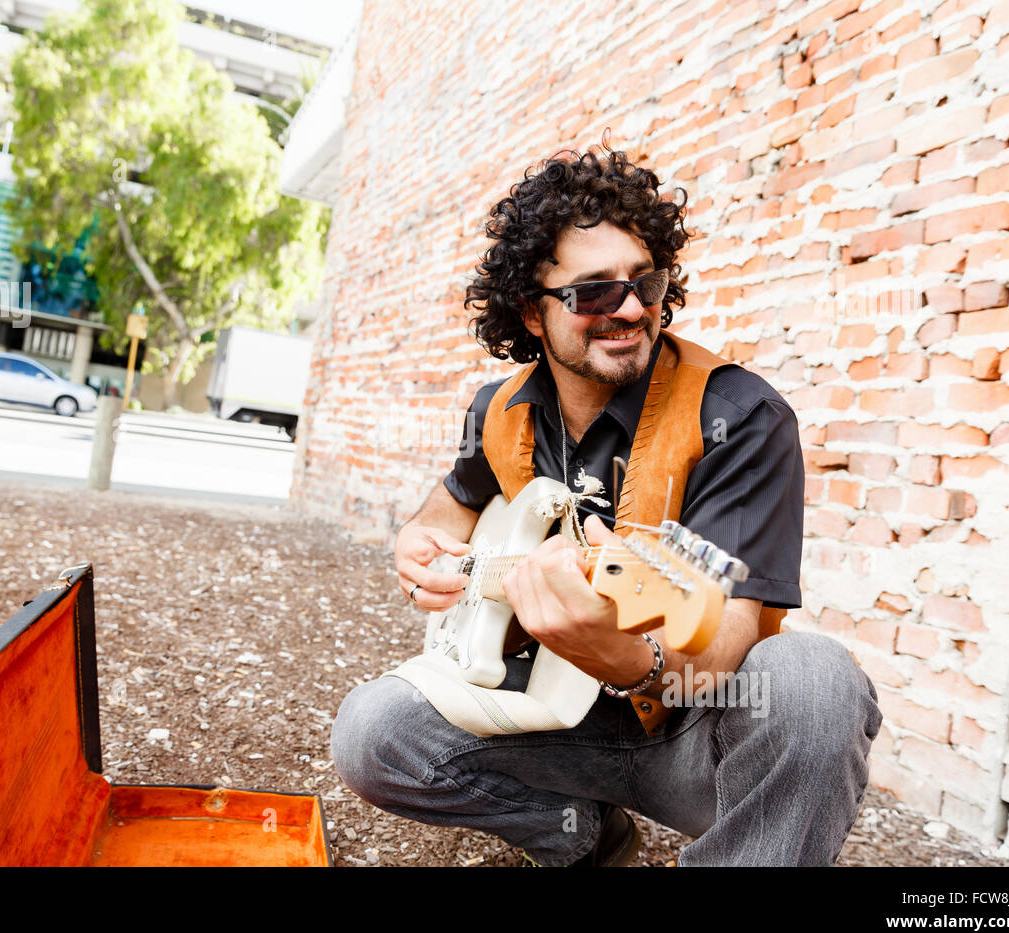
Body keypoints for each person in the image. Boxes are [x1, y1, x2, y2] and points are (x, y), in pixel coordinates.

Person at [329, 144, 882, 866]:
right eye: (592, 292)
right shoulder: (500, 409)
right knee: (372, 732)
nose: (629, 309)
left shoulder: (742, 416)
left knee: (815, 681)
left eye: (644, 285)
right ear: (532, 312)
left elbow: (727, 636)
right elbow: (450, 505)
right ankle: (584, 839)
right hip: (549, 718)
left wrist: (627, 656)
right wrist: (423, 545)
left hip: (702, 743)